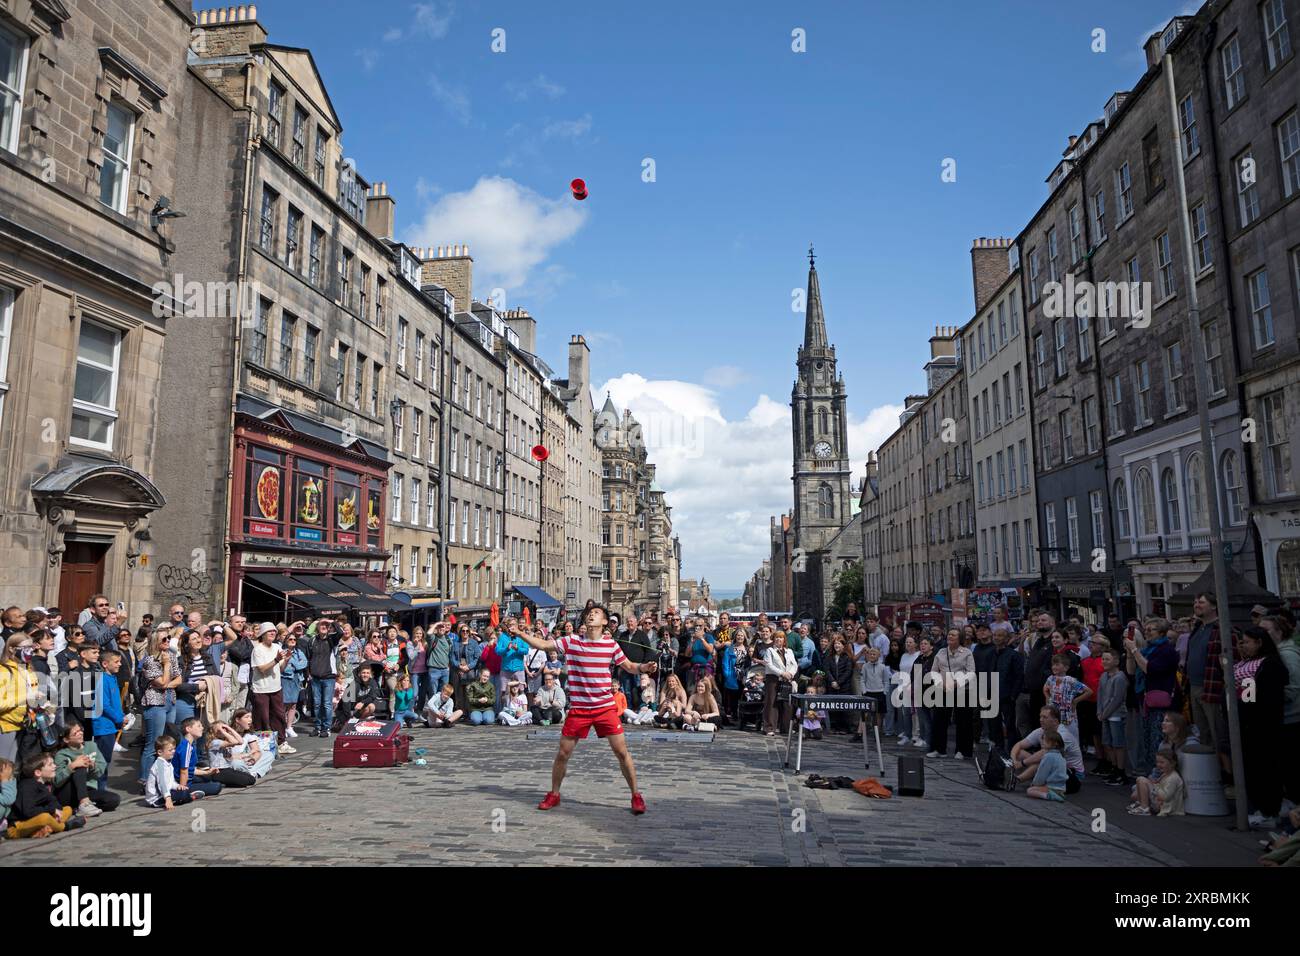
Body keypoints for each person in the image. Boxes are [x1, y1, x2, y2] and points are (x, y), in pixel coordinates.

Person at [516, 604, 658, 814]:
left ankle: (636, 795)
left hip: (604, 707)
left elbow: (629, 666)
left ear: (604, 622)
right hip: (580, 708)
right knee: (563, 753)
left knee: (621, 752)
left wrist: (644, 667)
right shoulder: (571, 641)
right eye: (589, 613)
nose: (591, 614)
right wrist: (521, 634)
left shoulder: (610, 644)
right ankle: (554, 794)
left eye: (597, 613)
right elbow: (545, 645)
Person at [1235, 626, 1285, 827]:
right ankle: (1260, 807)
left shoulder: (1270, 664)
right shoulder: (1248, 662)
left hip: (1262, 726)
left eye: (1247, 642)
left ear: (1259, 642)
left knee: (1264, 768)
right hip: (1247, 723)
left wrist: (1245, 701)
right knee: (1252, 768)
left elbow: (1256, 696)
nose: (1244, 646)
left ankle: (1269, 810)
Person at [1185, 592, 1232, 776]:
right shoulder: (1198, 628)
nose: (1197, 604)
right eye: (1195, 601)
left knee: (1218, 735)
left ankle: (1228, 776)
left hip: (1212, 688)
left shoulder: (1222, 629)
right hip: (1195, 687)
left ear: (1213, 606)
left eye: (1201, 602)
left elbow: (1232, 661)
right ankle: (1212, 774)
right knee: (1203, 734)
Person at [1126, 618, 1179, 777]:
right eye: (1146, 629)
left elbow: (1150, 669)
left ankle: (1160, 776)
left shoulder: (1166, 650)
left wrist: (1135, 650)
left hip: (1162, 702)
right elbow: (1131, 670)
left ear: (1161, 633)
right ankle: (1151, 774)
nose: (1147, 632)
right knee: (1147, 741)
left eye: (1151, 630)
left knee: (1158, 740)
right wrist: (1130, 654)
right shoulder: (1148, 649)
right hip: (1147, 699)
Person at [7, 752, 85, 838]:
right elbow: (28, 811)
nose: (55, 766)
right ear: (38, 772)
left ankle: (45, 829)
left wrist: (54, 812)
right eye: (50, 764)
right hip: (18, 827)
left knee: (67, 809)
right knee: (45, 818)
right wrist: (52, 810)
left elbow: (56, 804)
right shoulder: (27, 786)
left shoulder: (43, 786)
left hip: (36, 820)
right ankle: (64, 826)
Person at [1011, 705, 1085, 793]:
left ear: (1055, 721)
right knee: (1019, 753)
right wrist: (1014, 761)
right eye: (1040, 717)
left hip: (1073, 775)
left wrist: (1022, 763)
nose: (1041, 720)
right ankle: (1020, 778)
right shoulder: (1041, 731)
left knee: (1044, 758)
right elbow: (1018, 745)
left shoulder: (1063, 735)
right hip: (1055, 767)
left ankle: (1017, 780)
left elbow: (1045, 753)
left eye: (1045, 717)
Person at [928, 627, 976, 760]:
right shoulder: (941, 652)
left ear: (960, 638)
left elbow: (971, 672)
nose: (950, 636)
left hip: (962, 690)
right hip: (943, 689)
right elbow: (934, 671)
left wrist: (956, 683)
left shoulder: (966, 653)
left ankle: (962, 750)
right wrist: (939, 683)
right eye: (949, 634)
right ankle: (938, 749)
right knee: (939, 720)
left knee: (963, 721)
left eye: (954, 635)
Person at [52, 723, 119, 815]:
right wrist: (72, 766)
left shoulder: (91, 746)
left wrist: (92, 766)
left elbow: (101, 770)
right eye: (76, 733)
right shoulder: (61, 754)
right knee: (80, 765)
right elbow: (57, 781)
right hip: (69, 792)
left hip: (88, 789)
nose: (80, 733)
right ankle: (83, 803)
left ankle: (79, 807)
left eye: (81, 730)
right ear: (66, 739)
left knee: (114, 800)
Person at [249, 622, 294, 753]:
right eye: (269, 632)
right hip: (261, 689)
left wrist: (286, 660)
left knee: (279, 716)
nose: (273, 634)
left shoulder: (276, 647)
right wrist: (276, 659)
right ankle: (261, 744)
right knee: (262, 717)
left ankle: (281, 742)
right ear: (262, 634)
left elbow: (280, 668)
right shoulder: (257, 649)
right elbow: (262, 669)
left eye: (274, 632)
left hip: (276, 687)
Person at [1097, 649, 1131, 787]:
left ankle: (1120, 771)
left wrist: (1105, 713)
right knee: (1107, 743)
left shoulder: (1120, 677)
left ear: (1116, 661)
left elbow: (1117, 699)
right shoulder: (1103, 676)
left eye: (1107, 659)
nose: (1104, 662)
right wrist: (1099, 711)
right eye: (1103, 659)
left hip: (1116, 715)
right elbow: (1100, 695)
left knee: (1118, 744)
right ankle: (1114, 767)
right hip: (1104, 714)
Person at [145, 735, 205, 809]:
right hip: (156, 798)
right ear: (160, 752)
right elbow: (162, 783)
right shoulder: (159, 764)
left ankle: (186, 796)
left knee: (185, 789)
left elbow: (170, 782)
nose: (173, 751)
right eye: (170, 750)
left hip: (165, 793)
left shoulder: (168, 763)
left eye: (174, 749)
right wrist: (168, 799)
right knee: (184, 794)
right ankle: (190, 797)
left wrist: (177, 786)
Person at [173, 717, 224, 797]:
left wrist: (207, 772)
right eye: (199, 726)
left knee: (208, 778)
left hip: (188, 778)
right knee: (217, 786)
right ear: (188, 729)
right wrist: (183, 790)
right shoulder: (186, 747)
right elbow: (183, 771)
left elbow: (190, 769)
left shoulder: (188, 745)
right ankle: (185, 793)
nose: (202, 728)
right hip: (182, 782)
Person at [1128, 749, 1185, 817]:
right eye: (1157, 762)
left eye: (1162, 762)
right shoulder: (1165, 774)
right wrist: (1155, 783)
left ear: (1172, 763)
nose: (1158, 765)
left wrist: (1155, 785)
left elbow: (1165, 797)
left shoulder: (1174, 778)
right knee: (1135, 795)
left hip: (1163, 805)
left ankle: (1144, 808)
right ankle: (1142, 804)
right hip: (1159, 801)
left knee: (1141, 779)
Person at [1043, 653, 1093, 730]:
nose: (1054, 667)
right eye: (1053, 665)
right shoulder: (1051, 678)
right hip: (1054, 714)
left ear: (1066, 668)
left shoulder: (1071, 680)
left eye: (1057, 665)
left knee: (1068, 736)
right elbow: (1045, 689)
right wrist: (1048, 698)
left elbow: (1088, 691)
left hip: (1067, 715)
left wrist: (1075, 701)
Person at [762, 632, 798, 737]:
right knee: (771, 703)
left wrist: (790, 674)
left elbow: (794, 664)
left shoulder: (789, 651)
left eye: (781, 638)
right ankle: (769, 727)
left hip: (787, 679)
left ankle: (786, 728)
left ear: (784, 640)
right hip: (773, 679)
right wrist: (782, 673)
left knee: (787, 704)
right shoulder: (770, 651)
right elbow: (769, 665)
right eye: (777, 637)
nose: (779, 639)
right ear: (774, 639)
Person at [279, 631, 308, 739]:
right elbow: (283, 668)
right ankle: (281, 727)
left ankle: (289, 727)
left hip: (296, 679)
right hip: (285, 679)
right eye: (290, 639)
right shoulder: (282, 652)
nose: (292, 641)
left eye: (294, 639)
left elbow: (304, 664)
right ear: (286, 641)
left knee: (293, 704)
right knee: (284, 704)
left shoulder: (299, 652)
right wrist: (294, 663)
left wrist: (293, 662)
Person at [1025, 729, 1067, 802]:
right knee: (1033, 789)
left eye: (1045, 740)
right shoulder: (1060, 755)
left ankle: (1051, 796)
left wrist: (1035, 784)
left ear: (1055, 743)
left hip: (1052, 787)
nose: (1042, 742)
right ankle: (1056, 794)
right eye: (1042, 739)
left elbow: (1042, 774)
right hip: (1061, 787)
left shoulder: (1048, 756)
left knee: (1030, 790)